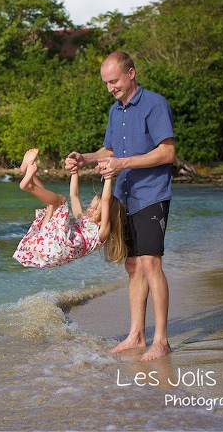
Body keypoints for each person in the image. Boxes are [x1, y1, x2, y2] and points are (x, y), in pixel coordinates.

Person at [65, 51, 176, 362]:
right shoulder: (116, 111)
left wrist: (124, 163)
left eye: (113, 81)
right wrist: (84, 158)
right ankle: (136, 334)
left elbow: (167, 153)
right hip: (123, 197)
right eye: (106, 83)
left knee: (151, 264)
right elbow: (109, 150)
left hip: (152, 194)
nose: (110, 87)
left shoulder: (155, 104)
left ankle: (162, 340)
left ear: (131, 73)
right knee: (132, 266)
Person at [13, 148, 126, 269]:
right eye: (90, 206)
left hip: (59, 246)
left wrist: (108, 177)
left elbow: (105, 200)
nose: (89, 209)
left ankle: (29, 186)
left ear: (107, 213)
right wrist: (74, 172)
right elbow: (74, 195)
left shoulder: (102, 232)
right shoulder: (82, 220)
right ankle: (29, 175)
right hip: (47, 245)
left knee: (60, 202)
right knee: (52, 204)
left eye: (94, 209)